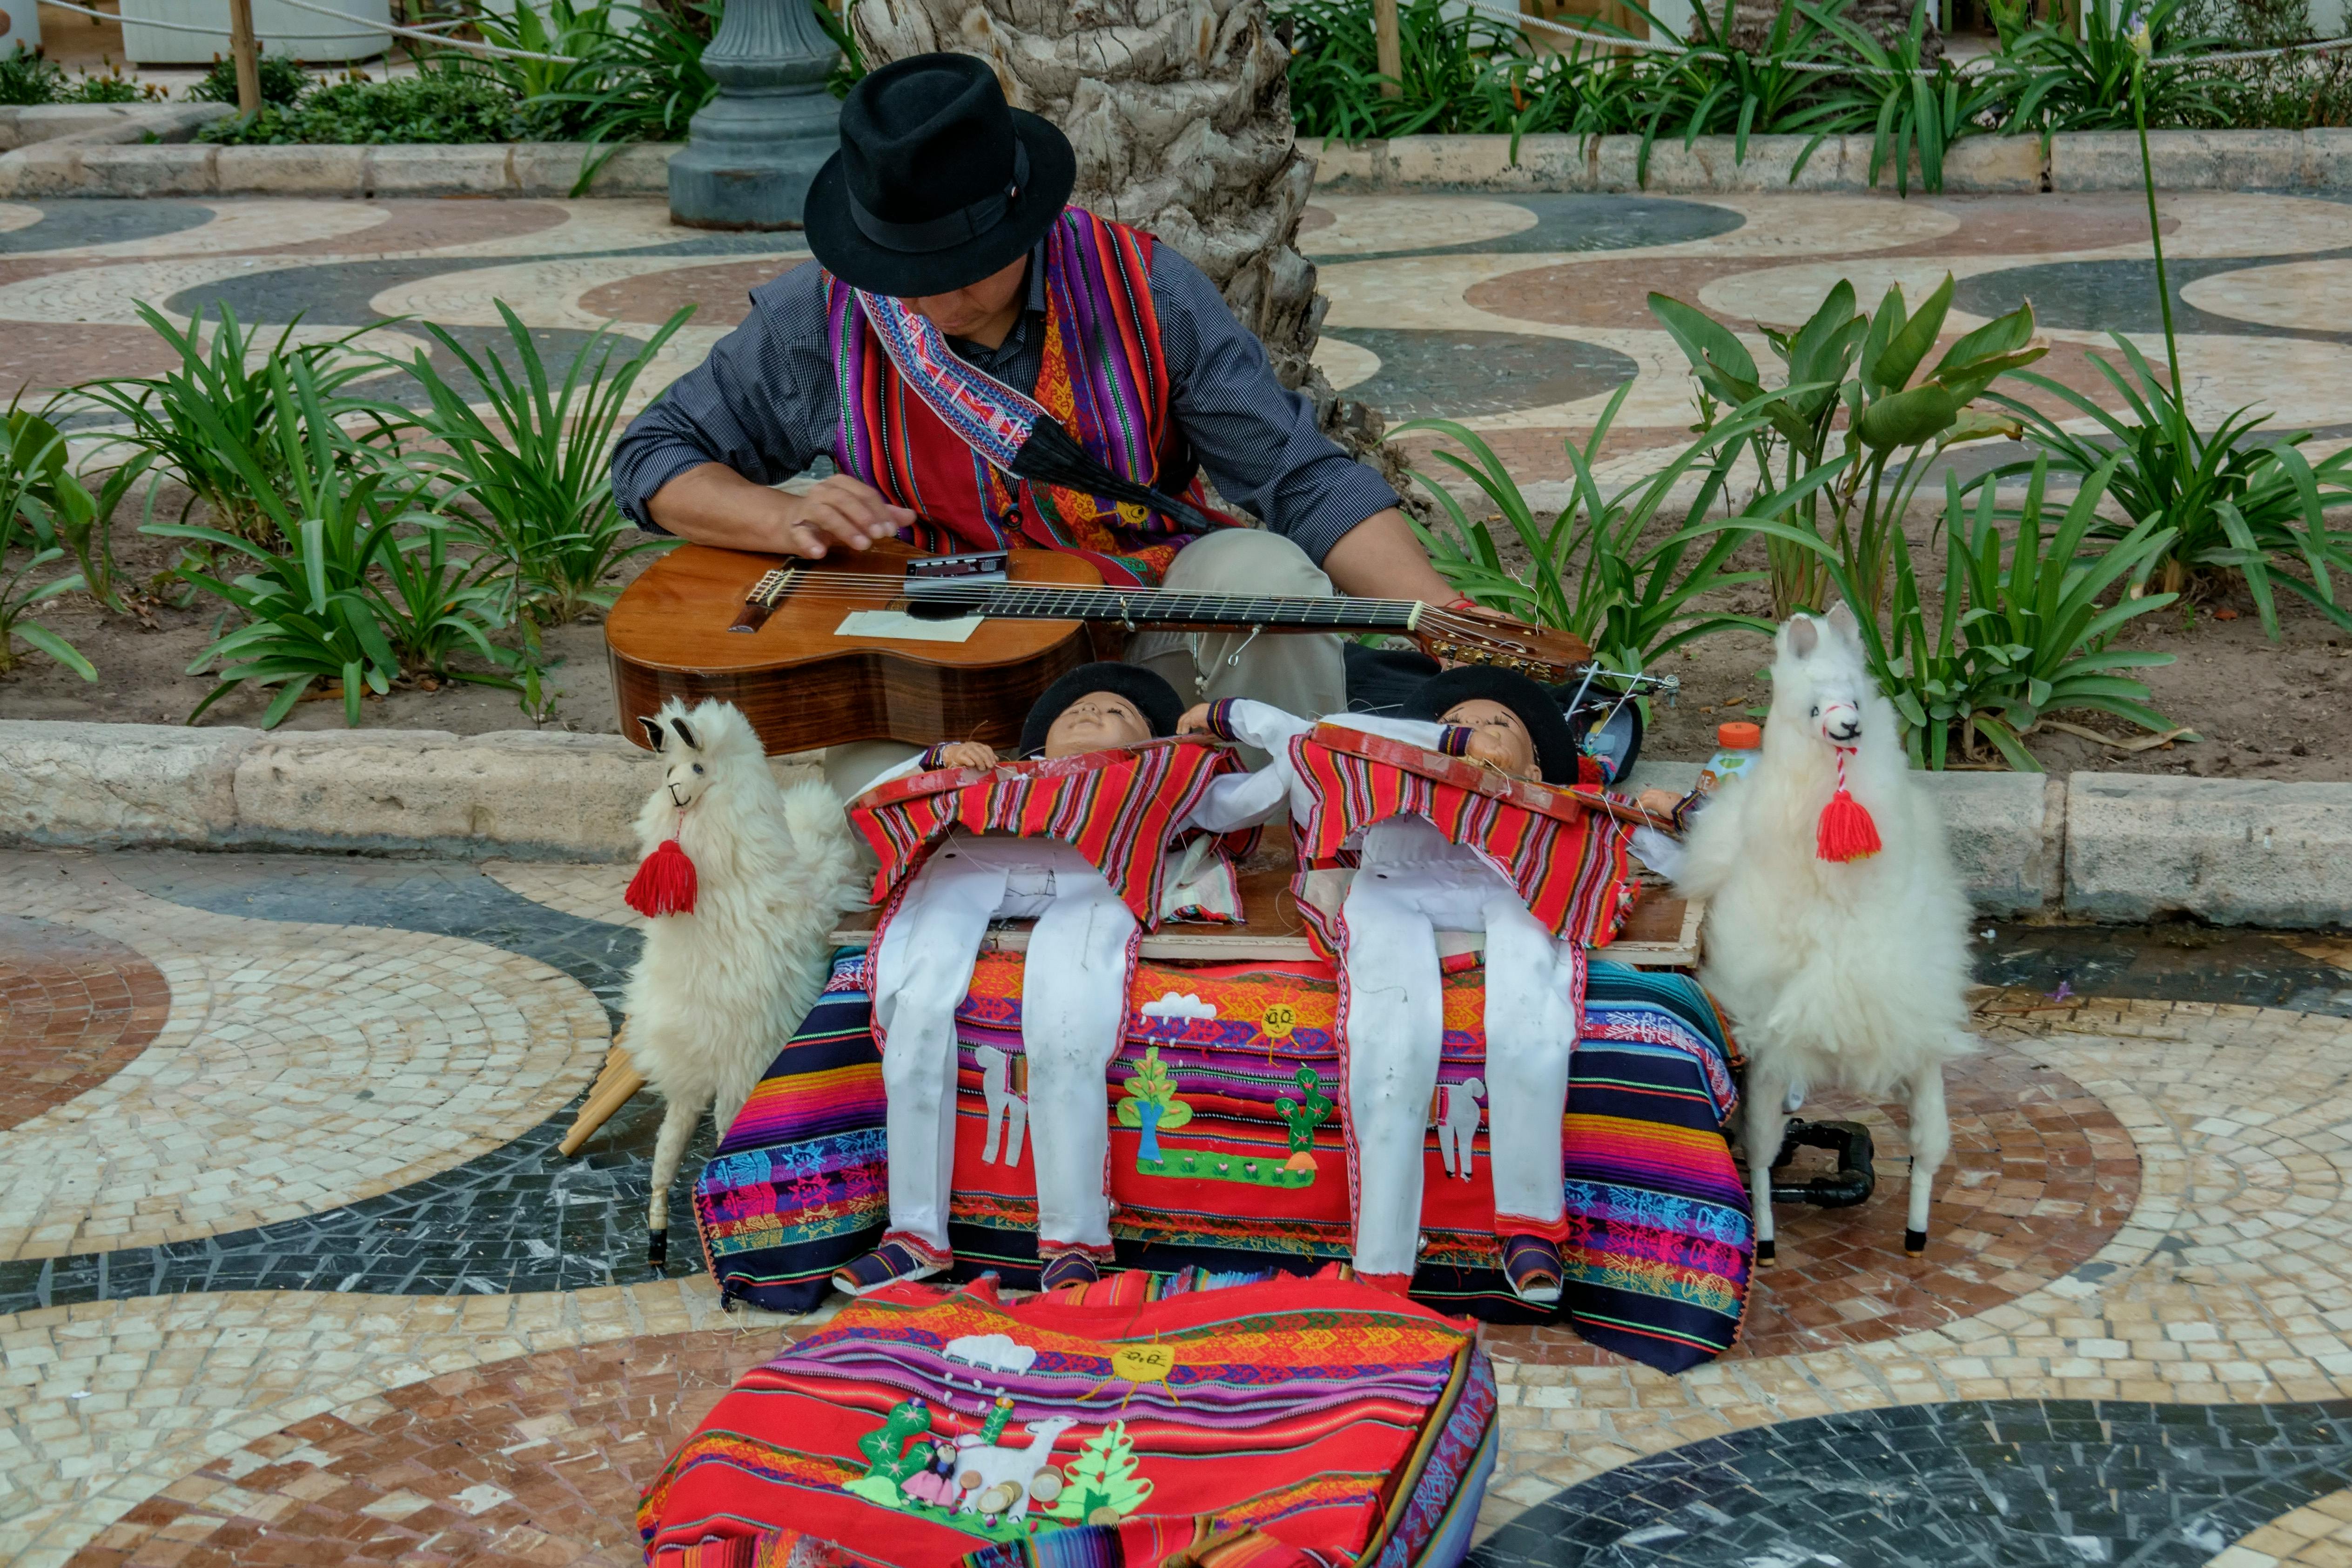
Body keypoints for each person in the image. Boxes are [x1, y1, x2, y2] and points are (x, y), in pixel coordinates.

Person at [609, 50, 1505, 788]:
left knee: (1265, 571)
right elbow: (652, 455)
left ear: (1020, 220)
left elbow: (1297, 473)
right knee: (864, 826)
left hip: (1140, 620)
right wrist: (776, 514)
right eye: (902, 268)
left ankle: (1280, 828)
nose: (929, 299)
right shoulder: (822, 317)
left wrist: (1442, 617)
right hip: (942, 671)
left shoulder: (1145, 288)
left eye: (965, 265)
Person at [1181, 668, 1606, 1305]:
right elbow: (1259, 777)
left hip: (1511, 882)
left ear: (1539, 764)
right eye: (1457, 723)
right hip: (1390, 884)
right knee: (1387, 1039)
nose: (1478, 731)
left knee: (1531, 1023)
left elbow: (1668, 850)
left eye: (1501, 725)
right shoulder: (1370, 753)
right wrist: (1230, 717)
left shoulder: (1551, 809)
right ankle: (1381, 1253)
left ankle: (1529, 1222)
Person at [836, 663, 1237, 1295]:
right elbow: (864, 799)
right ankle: (912, 1235)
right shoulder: (989, 776)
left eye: (1114, 713)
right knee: (915, 1006)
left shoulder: (1159, 778)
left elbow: (1255, 799)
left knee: (1068, 1024)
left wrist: (1222, 734)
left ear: (1149, 741)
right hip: (972, 859)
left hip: (1096, 869)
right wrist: (936, 758)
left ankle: (1073, 1238)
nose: (1087, 713)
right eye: (1073, 709)